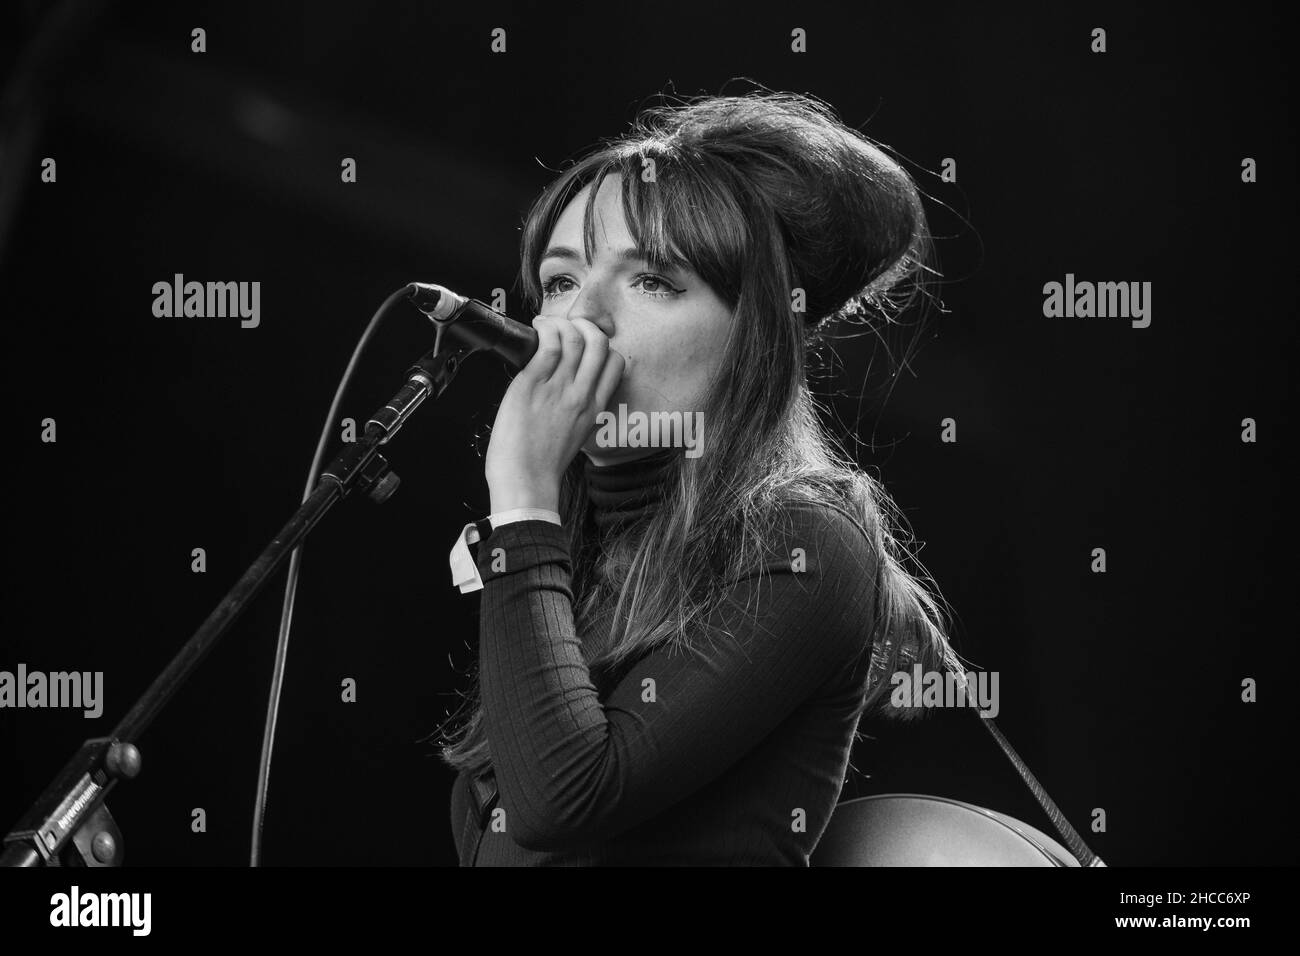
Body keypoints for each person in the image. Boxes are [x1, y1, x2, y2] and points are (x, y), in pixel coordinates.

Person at [432, 90, 963, 865]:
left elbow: (561, 802)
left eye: (652, 281)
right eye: (559, 282)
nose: (584, 320)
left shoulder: (807, 540)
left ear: (755, 334)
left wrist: (521, 494)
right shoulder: (576, 554)